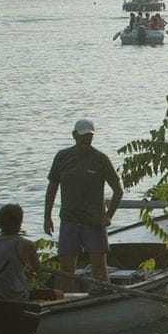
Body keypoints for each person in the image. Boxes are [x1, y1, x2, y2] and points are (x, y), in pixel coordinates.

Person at [44, 119, 124, 291]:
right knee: (66, 269)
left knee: (99, 268)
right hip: (69, 220)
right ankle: (65, 299)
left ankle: (103, 295)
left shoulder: (100, 159)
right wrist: (47, 217)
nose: (86, 139)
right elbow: (52, 187)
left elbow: (118, 191)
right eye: (83, 136)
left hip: (94, 222)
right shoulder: (62, 157)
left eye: (89, 136)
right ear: (74, 135)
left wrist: (108, 215)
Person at [0, 204, 45, 301]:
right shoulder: (26, 244)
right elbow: (38, 270)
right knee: (58, 294)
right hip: (15, 294)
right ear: (20, 222)